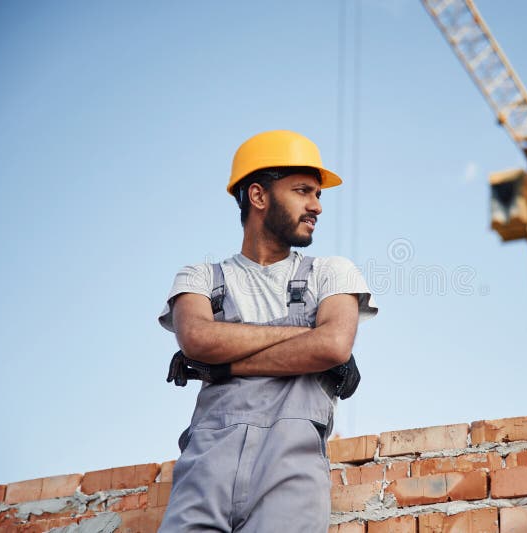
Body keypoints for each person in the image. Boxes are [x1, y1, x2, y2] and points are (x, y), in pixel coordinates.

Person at [156, 130, 377, 532]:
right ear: (258, 196)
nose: (316, 206)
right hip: (204, 472)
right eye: (303, 191)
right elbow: (199, 339)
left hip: (289, 474)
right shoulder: (199, 276)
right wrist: (304, 337)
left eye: (318, 194)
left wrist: (221, 366)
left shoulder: (331, 272)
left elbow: (332, 345)